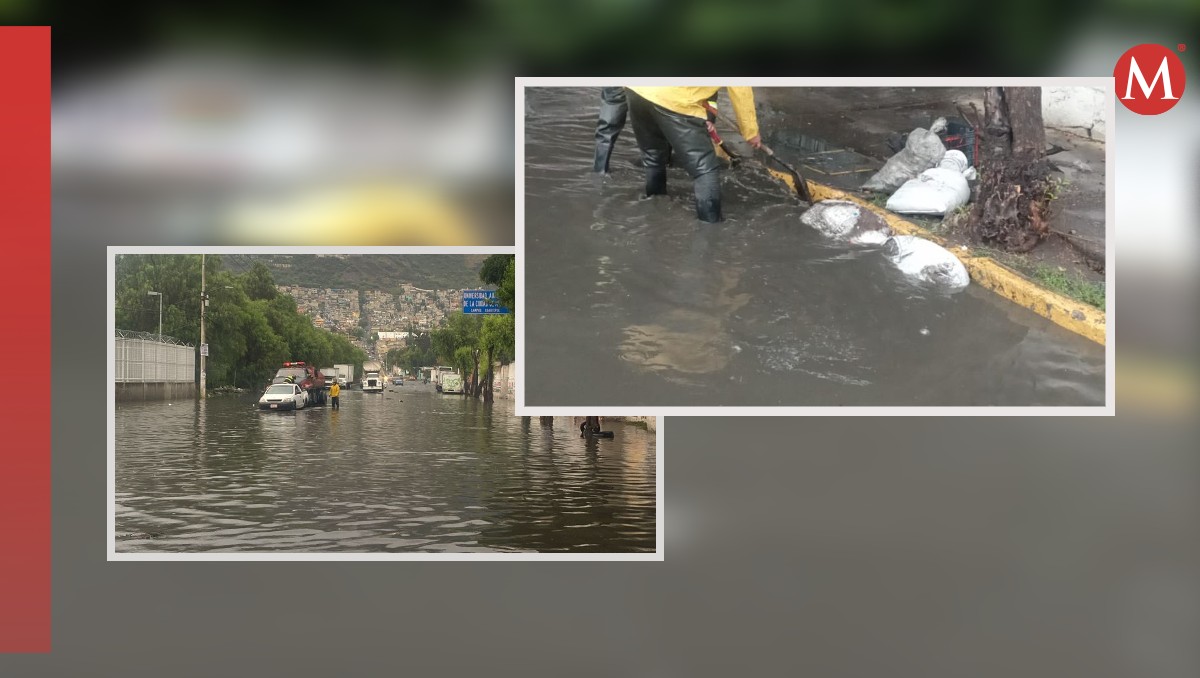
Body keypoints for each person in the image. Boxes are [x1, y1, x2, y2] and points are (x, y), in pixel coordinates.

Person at [626, 86, 763, 222]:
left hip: (638, 90)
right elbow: (740, 89)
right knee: (705, 170)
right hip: (676, 100)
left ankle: (654, 208)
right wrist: (750, 132)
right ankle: (711, 230)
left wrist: (709, 117)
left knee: (653, 156)